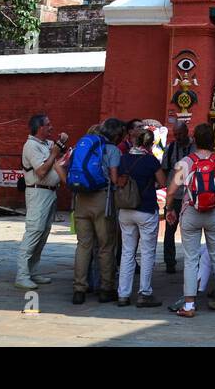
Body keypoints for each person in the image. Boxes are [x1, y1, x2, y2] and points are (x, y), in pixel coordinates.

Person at [165, 123, 215, 316]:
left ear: (194, 139)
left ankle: (189, 305)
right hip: (214, 214)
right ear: (213, 139)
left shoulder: (186, 162)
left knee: (190, 259)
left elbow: (171, 191)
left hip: (190, 213)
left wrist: (169, 209)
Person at [69, 117, 125, 304]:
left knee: (83, 245)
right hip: (103, 199)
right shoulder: (112, 150)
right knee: (106, 245)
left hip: (81, 198)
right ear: (117, 134)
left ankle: (79, 289)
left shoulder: (84, 145)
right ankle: (106, 288)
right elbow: (115, 178)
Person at [14, 115, 68, 290]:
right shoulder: (31, 146)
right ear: (39, 128)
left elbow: (56, 159)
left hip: (50, 193)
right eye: (48, 125)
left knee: (43, 234)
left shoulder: (45, 144)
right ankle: (21, 275)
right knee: (34, 231)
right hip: (37, 192)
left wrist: (60, 146)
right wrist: (54, 154)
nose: (51, 127)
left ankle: (33, 271)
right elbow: (42, 171)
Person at [116, 128, 165, 307]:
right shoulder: (150, 160)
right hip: (145, 208)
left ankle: (123, 293)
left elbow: (116, 178)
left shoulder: (123, 159)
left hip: (125, 209)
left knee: (127, 252)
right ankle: (144, 292)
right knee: (147, 252)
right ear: (150, 143)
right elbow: (163, 181)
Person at [160, 120, 191, 274]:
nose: (177, 137)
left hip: (190, 197)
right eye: (175, 135)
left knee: (190, 231)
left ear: (187, 132)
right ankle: (169, 262)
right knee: (170, 230)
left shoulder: (195, 148)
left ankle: (192, 262)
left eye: (180, 134)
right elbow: (164, 169)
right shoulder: (171, 148)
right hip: (175, 196)